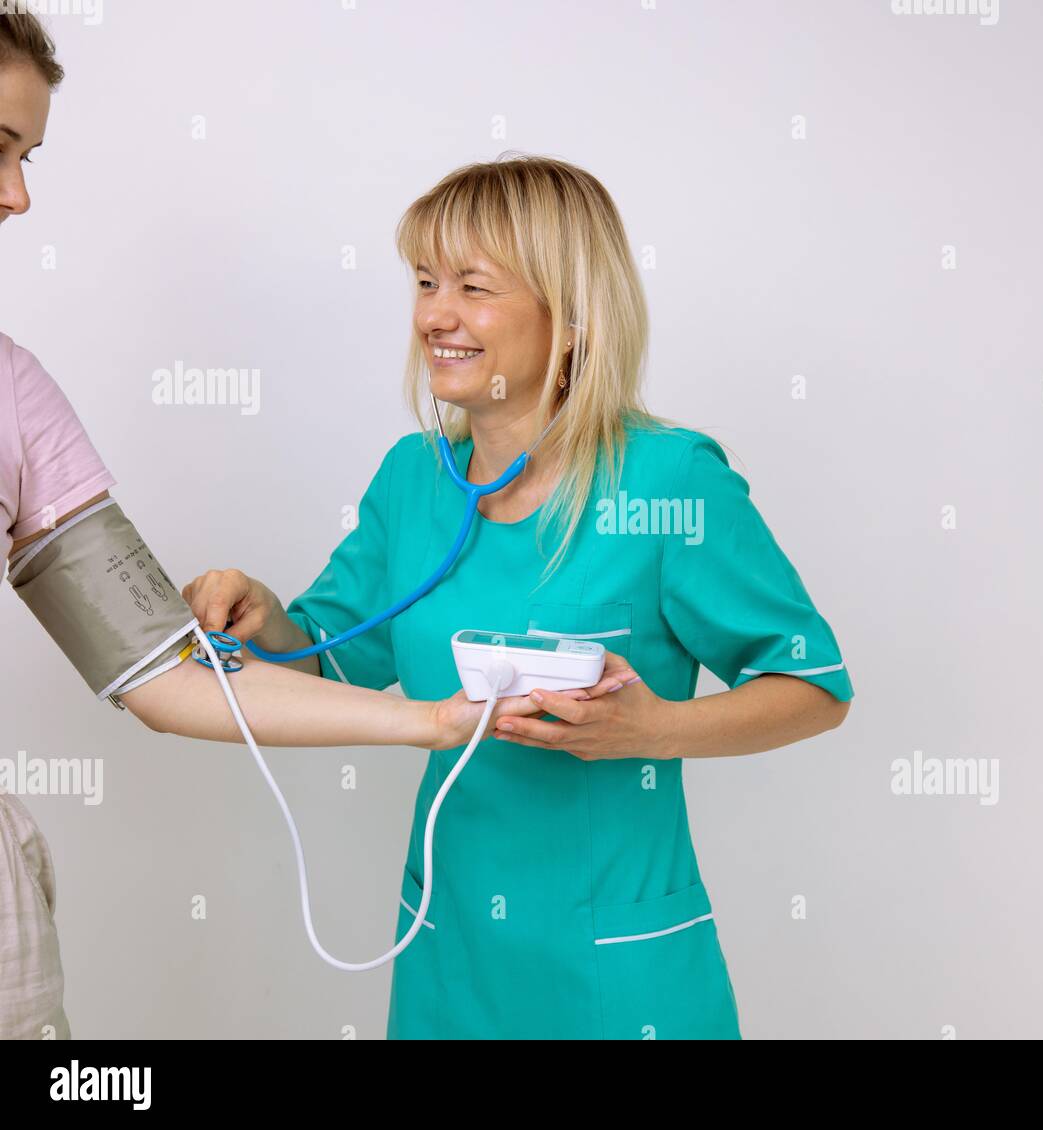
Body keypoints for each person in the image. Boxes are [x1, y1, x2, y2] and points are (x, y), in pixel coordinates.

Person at [0, 12, 593, 1041]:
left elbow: (164, 673)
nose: (19, 194)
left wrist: (435, 719)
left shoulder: (17, 401)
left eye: (26, 153)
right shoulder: (422, 478)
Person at [183, 155, 855, 1039]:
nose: (435, 316)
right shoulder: (413, 480)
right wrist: (263, 616)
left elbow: (814, 687)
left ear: (573, 318)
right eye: (425, 283)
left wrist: (650, 732)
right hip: (449, 951)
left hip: (617, 967)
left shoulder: (669, 480)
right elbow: (333, 655)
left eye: (473, 286)